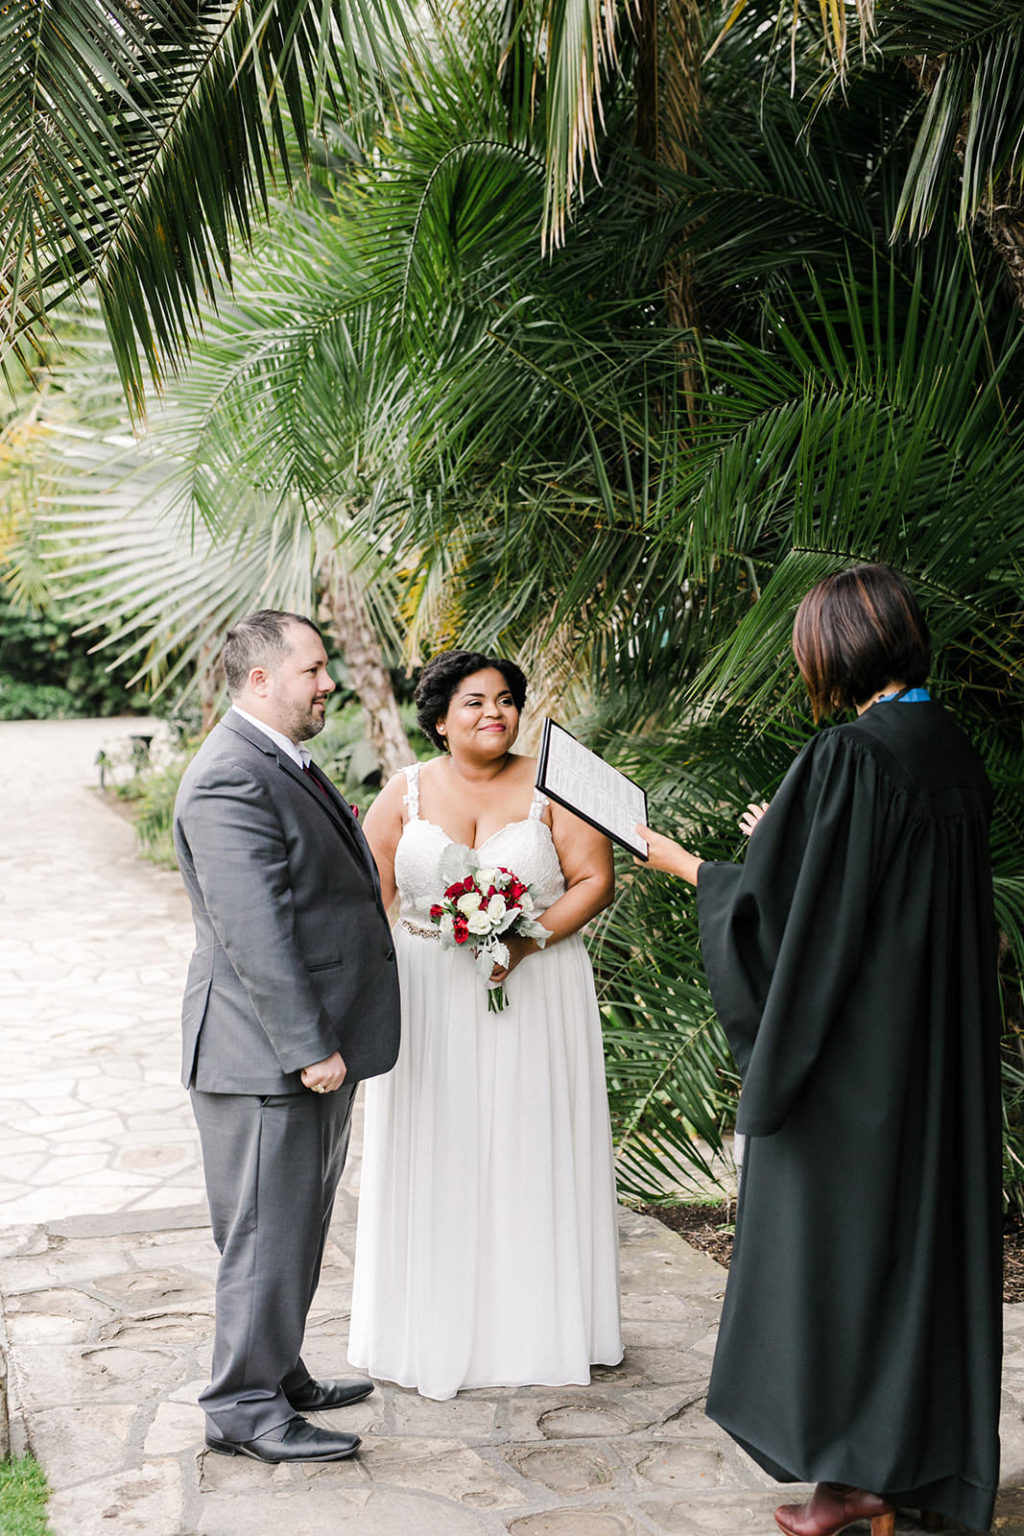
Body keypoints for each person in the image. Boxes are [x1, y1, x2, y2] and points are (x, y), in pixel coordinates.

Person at [637, 565, 1001, 1536]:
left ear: (833, 650)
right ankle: (903, 1467)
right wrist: (779, 840)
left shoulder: (849, 756)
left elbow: (784, 921)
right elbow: (868, 894)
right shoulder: (947, 747)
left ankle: (847, 1479)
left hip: (855, 1070)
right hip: (933, 1060)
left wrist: (701, 870)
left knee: (834, 1258)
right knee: (913, 1254)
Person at [347, 649, 623, 1399]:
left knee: (530, 1140)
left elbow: (594, 878)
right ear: (439, 719)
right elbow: (369, 894)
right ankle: (430, 1325)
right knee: (443, 1142)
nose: (494, 713)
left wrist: (523, 941)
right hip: (430, 991)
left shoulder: (552, 786)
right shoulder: (401, 793)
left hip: (538, 987)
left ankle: (540, 1327)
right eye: (474, 702)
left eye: (505, 699)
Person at [173, 610, 401, 1463]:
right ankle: (242, 1405)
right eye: (313, 669)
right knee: (266, 1232)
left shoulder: (276, 758)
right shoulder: (229, 775)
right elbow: (253, 931)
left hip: (304, 1044)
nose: (327, 680)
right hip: (266, 1052)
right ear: (261, 678)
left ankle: (277, 1371)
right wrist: (309, 1047)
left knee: (295, 1223)